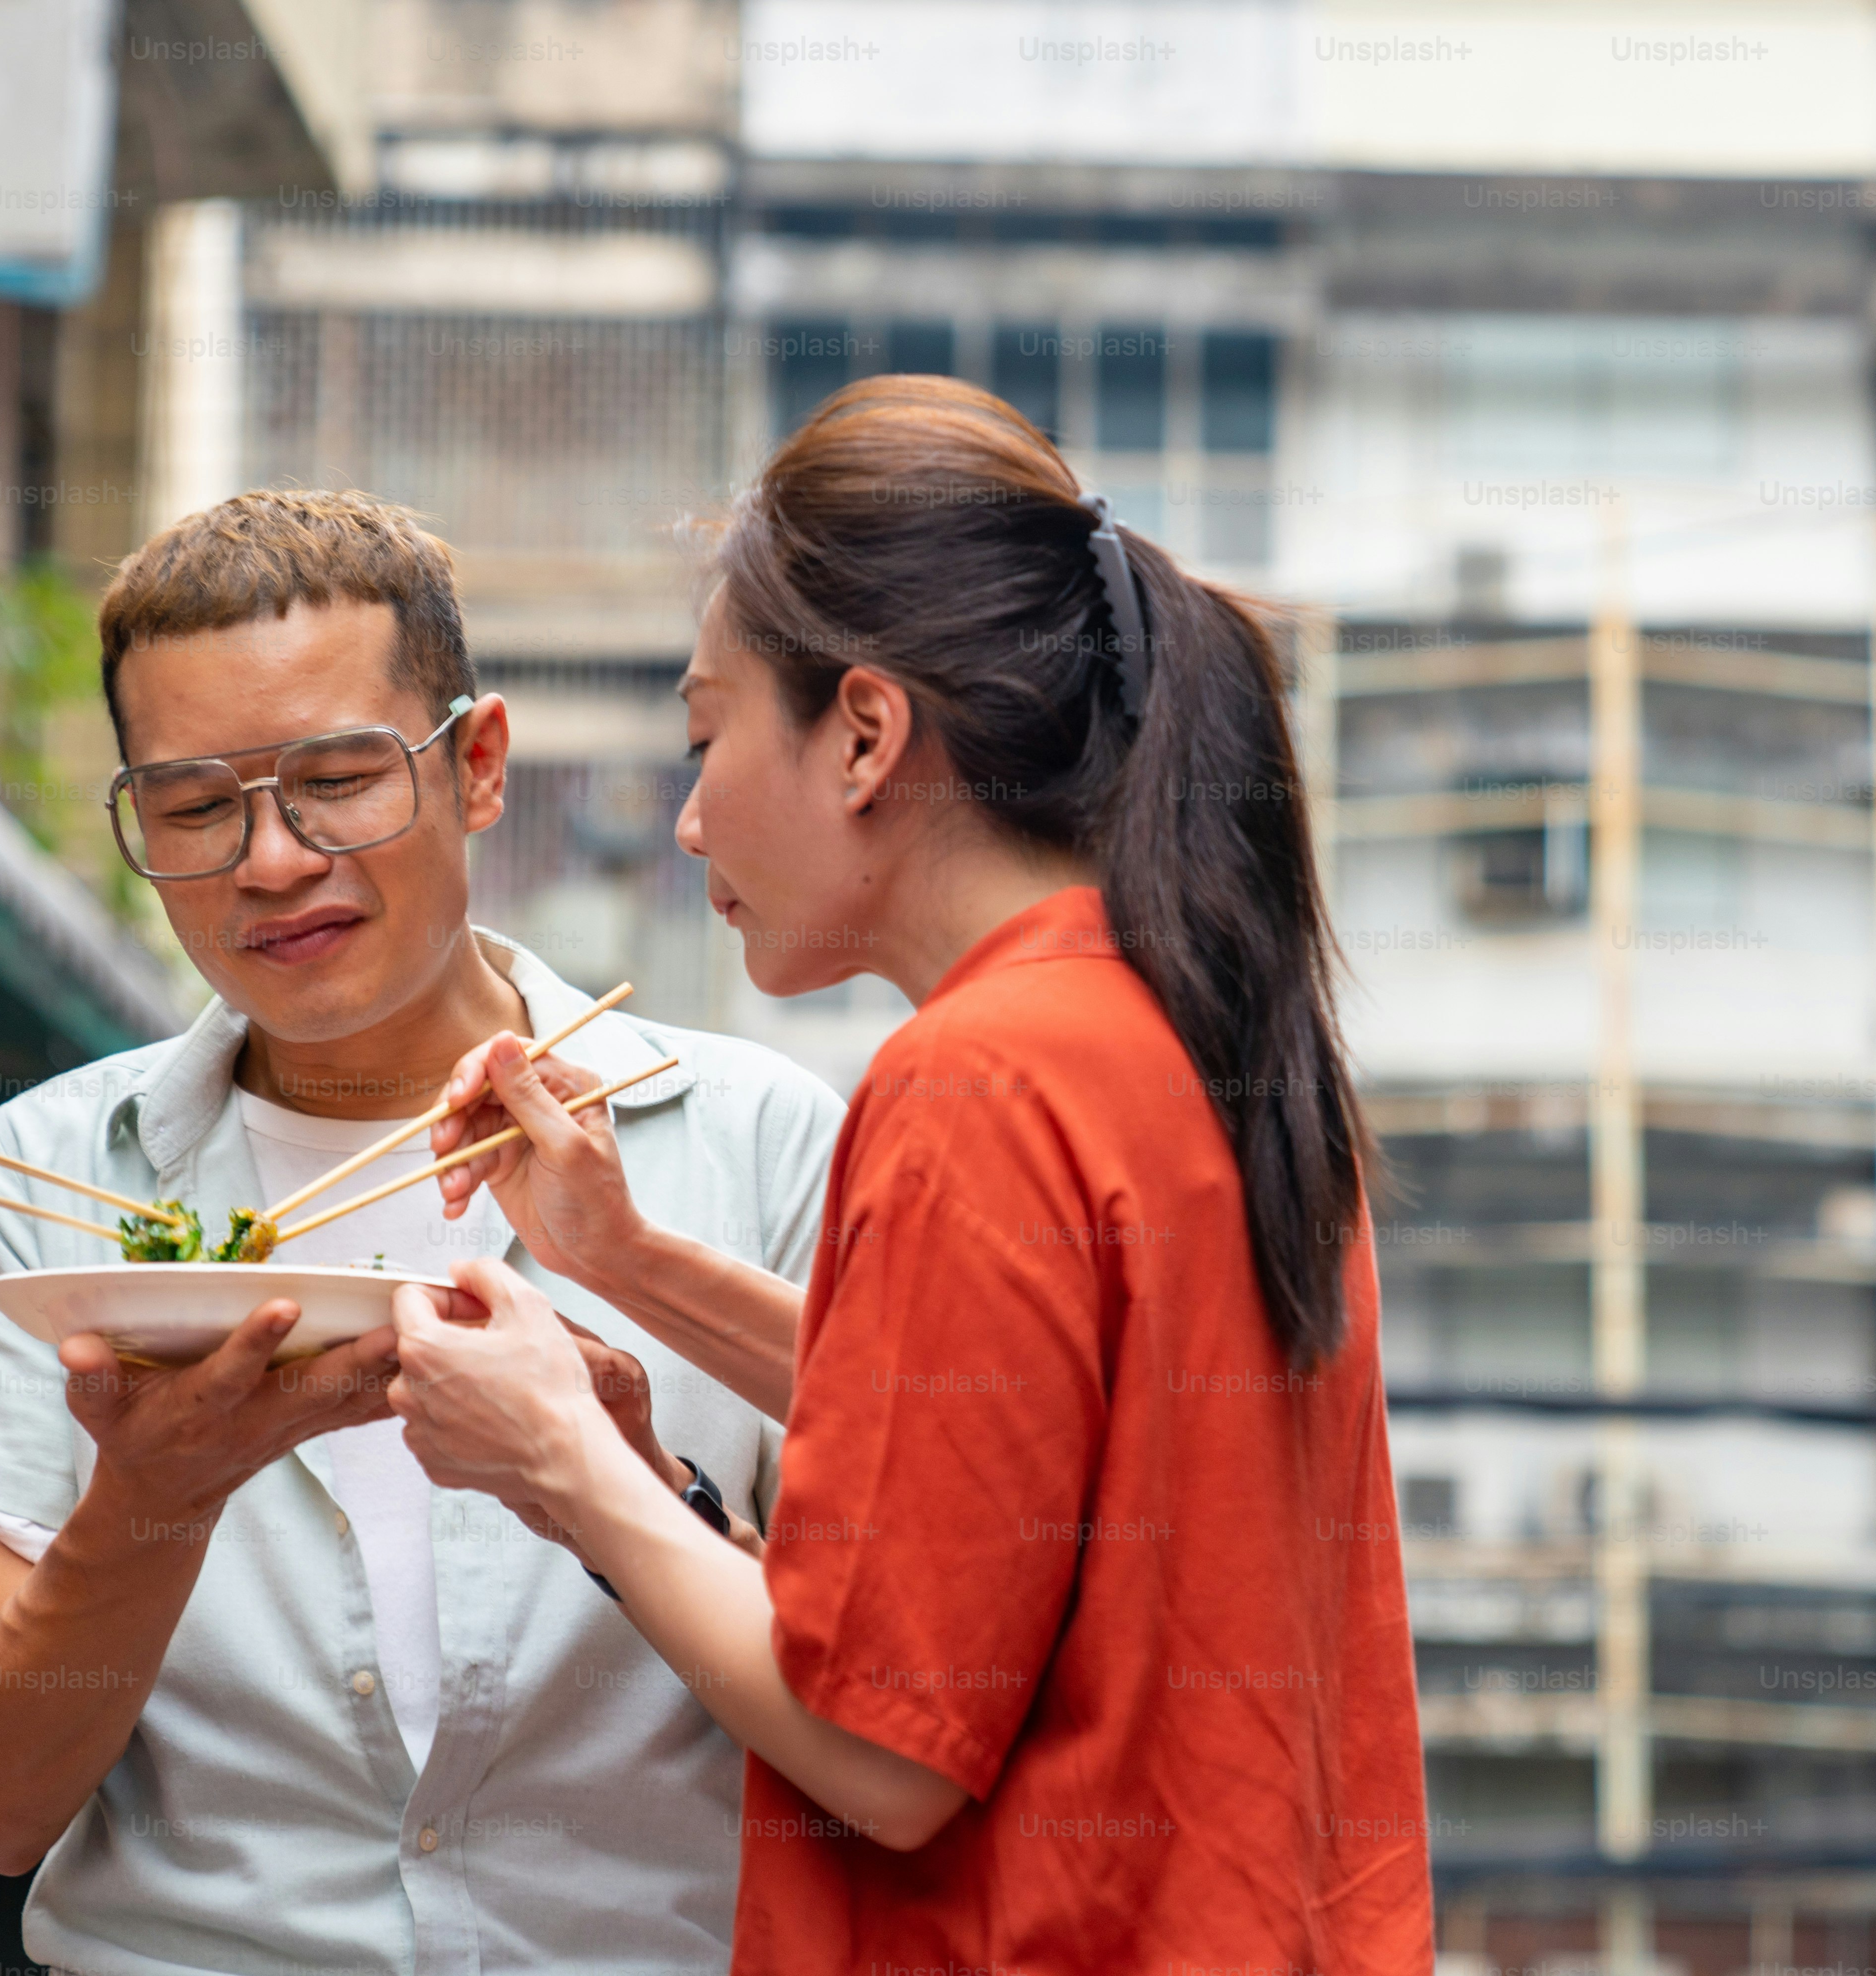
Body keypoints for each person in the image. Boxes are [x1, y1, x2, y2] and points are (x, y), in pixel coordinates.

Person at [386, 375, 1436, 1973]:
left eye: (704, 731)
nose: (683, 821)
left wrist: (557, 1463)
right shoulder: (1187, 1029)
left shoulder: (976, 1075)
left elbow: (880, 1757)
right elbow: (1004, 1446)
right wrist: (621, 1256)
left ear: (865, 733)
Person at [0, 489, 846, 1973]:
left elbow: (893, 1722)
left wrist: (624, 1482)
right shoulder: (42, 1182)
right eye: (194, 806)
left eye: (337, 778)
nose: (270, 859)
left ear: (480, 765)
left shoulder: (757, 1141)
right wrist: (155, 1496)